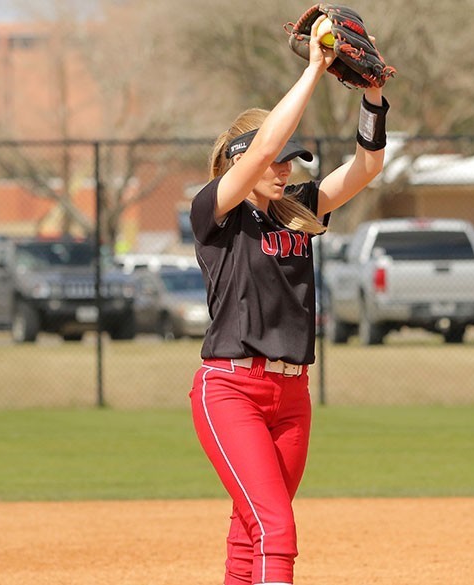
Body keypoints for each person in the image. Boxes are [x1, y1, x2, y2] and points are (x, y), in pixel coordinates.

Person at [188, 16, 390, 585]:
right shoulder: (216, 212)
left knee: (250, 531)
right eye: (277, 159)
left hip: (292, 396)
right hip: (231, 389)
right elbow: (263, 149)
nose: (284, 168)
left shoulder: (298, 208)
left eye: (290, 161)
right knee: (276, 530)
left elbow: (368, 166)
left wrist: (374, 97)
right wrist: (314, 70)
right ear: (239, 161)